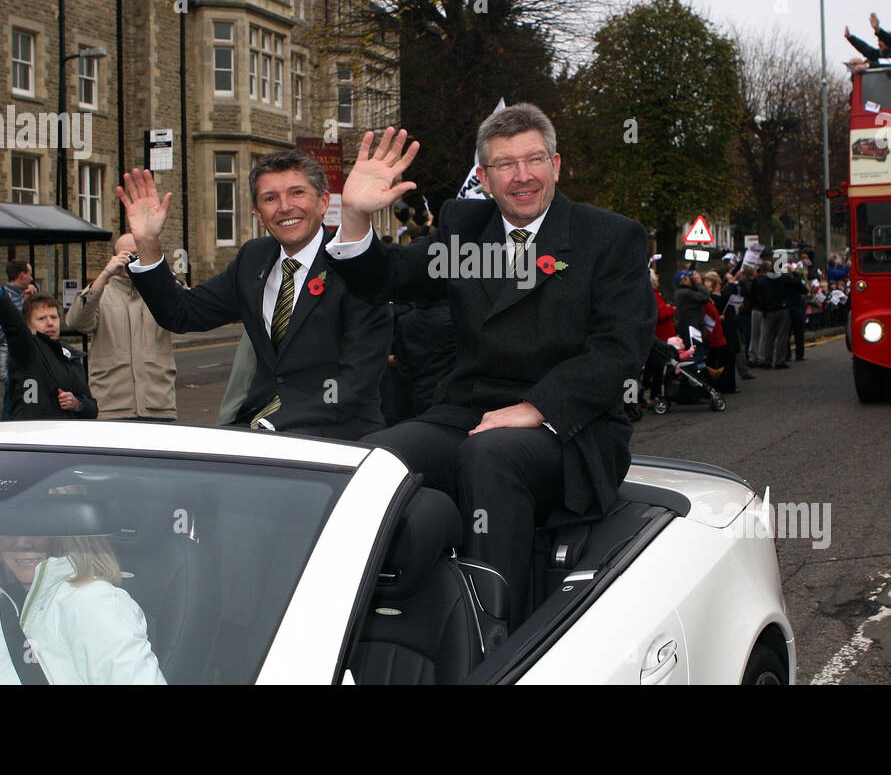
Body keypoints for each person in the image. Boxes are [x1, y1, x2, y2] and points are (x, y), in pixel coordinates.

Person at [326, 107, 654, 626]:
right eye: (505, 165)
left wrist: (537, 407)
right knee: (375, 460)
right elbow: (384, 279)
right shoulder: (466, 231)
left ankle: (492, 633)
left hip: (573, 428)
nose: (522, 176)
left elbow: (619, 350)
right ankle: (369, 621)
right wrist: (356, 215)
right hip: (468, 413)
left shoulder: (609, 238)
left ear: (557, 165)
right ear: (484, 177)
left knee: (490, 456)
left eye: (534, 160)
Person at [118, 152, 391, 440]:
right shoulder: (252, 258)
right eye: (270, 198)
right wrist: (148, 242)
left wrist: (274, 425)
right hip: (259, 428)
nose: (285, 207)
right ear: (258, 213)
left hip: (338, 434)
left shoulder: (357, 266)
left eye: (297, 193)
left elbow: (355, 382)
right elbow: (182, 313)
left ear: (323, 202)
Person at [0, 533, 165, 684]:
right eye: (10, 525)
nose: (21, 542)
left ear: (68, 532)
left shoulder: (93, 603)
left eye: (35, 526)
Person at [0, 263, 97, 420]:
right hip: (31, 437)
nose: (50, 323)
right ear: (28, 325)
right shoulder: (27, 349)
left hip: (63, 438)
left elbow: (92, 409)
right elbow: (11, 322)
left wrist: (77, 403)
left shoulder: (71, 356)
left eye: (53, 317)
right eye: (41, 318)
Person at [64, 233, 178, 421]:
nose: (132, 260)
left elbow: (187, 315)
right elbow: (77, 322)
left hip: (158, 404)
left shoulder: (161, 293)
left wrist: (161, 275)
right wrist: (105, 274)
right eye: (127, 255)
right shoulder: (101, 295)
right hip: (112, 406)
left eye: (139, 254)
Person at [0, 259, 35, 420]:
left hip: (16, 347)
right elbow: (13, 321)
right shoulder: (7, 295)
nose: (31, 278)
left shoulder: (21, 295)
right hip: (5, 347)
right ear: (22, 275)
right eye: (30, 274)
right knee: (12, 390)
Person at [651, 265, 676, 342]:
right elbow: (661, 313)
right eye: (656, 275)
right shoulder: (653, 295)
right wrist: (671, 309)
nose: (658, 278)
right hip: (663, 336)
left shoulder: (655, 294)